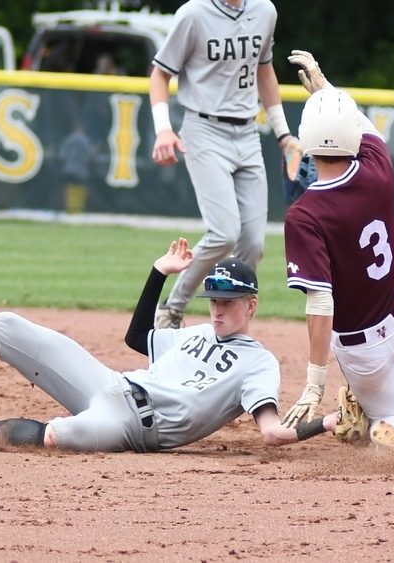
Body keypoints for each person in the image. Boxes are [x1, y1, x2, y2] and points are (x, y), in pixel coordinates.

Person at [0, 238, 338, 452]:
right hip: (111, 384)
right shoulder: (195, 333)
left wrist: (328, 422)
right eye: (213, 298)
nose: (216, 308)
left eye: (228, 302)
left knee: (56, 436)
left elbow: (272, 433)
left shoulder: (260, 365)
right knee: (6, 327)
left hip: (132, 427)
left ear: (250, 306)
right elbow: (136, 339)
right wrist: (157, 273)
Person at [279, 50, 394, 448]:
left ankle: (393, 427)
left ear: (307, 141)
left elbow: (321, 303)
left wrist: (315, 382)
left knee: (388, 415)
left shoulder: (304, 214)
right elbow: (359, 123)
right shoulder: (378, 168)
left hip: (363, 348)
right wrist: (325, 87)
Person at [148, 0, 298, 329]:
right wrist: (163, 129)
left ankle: (234, 324)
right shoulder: (193, 14)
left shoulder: (264, 11)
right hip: (204, 129)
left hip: (247, 131)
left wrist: (284, 134)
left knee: (253, 242)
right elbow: (160, 75)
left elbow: (264, 70)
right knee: (224, 233)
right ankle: (172, 309)